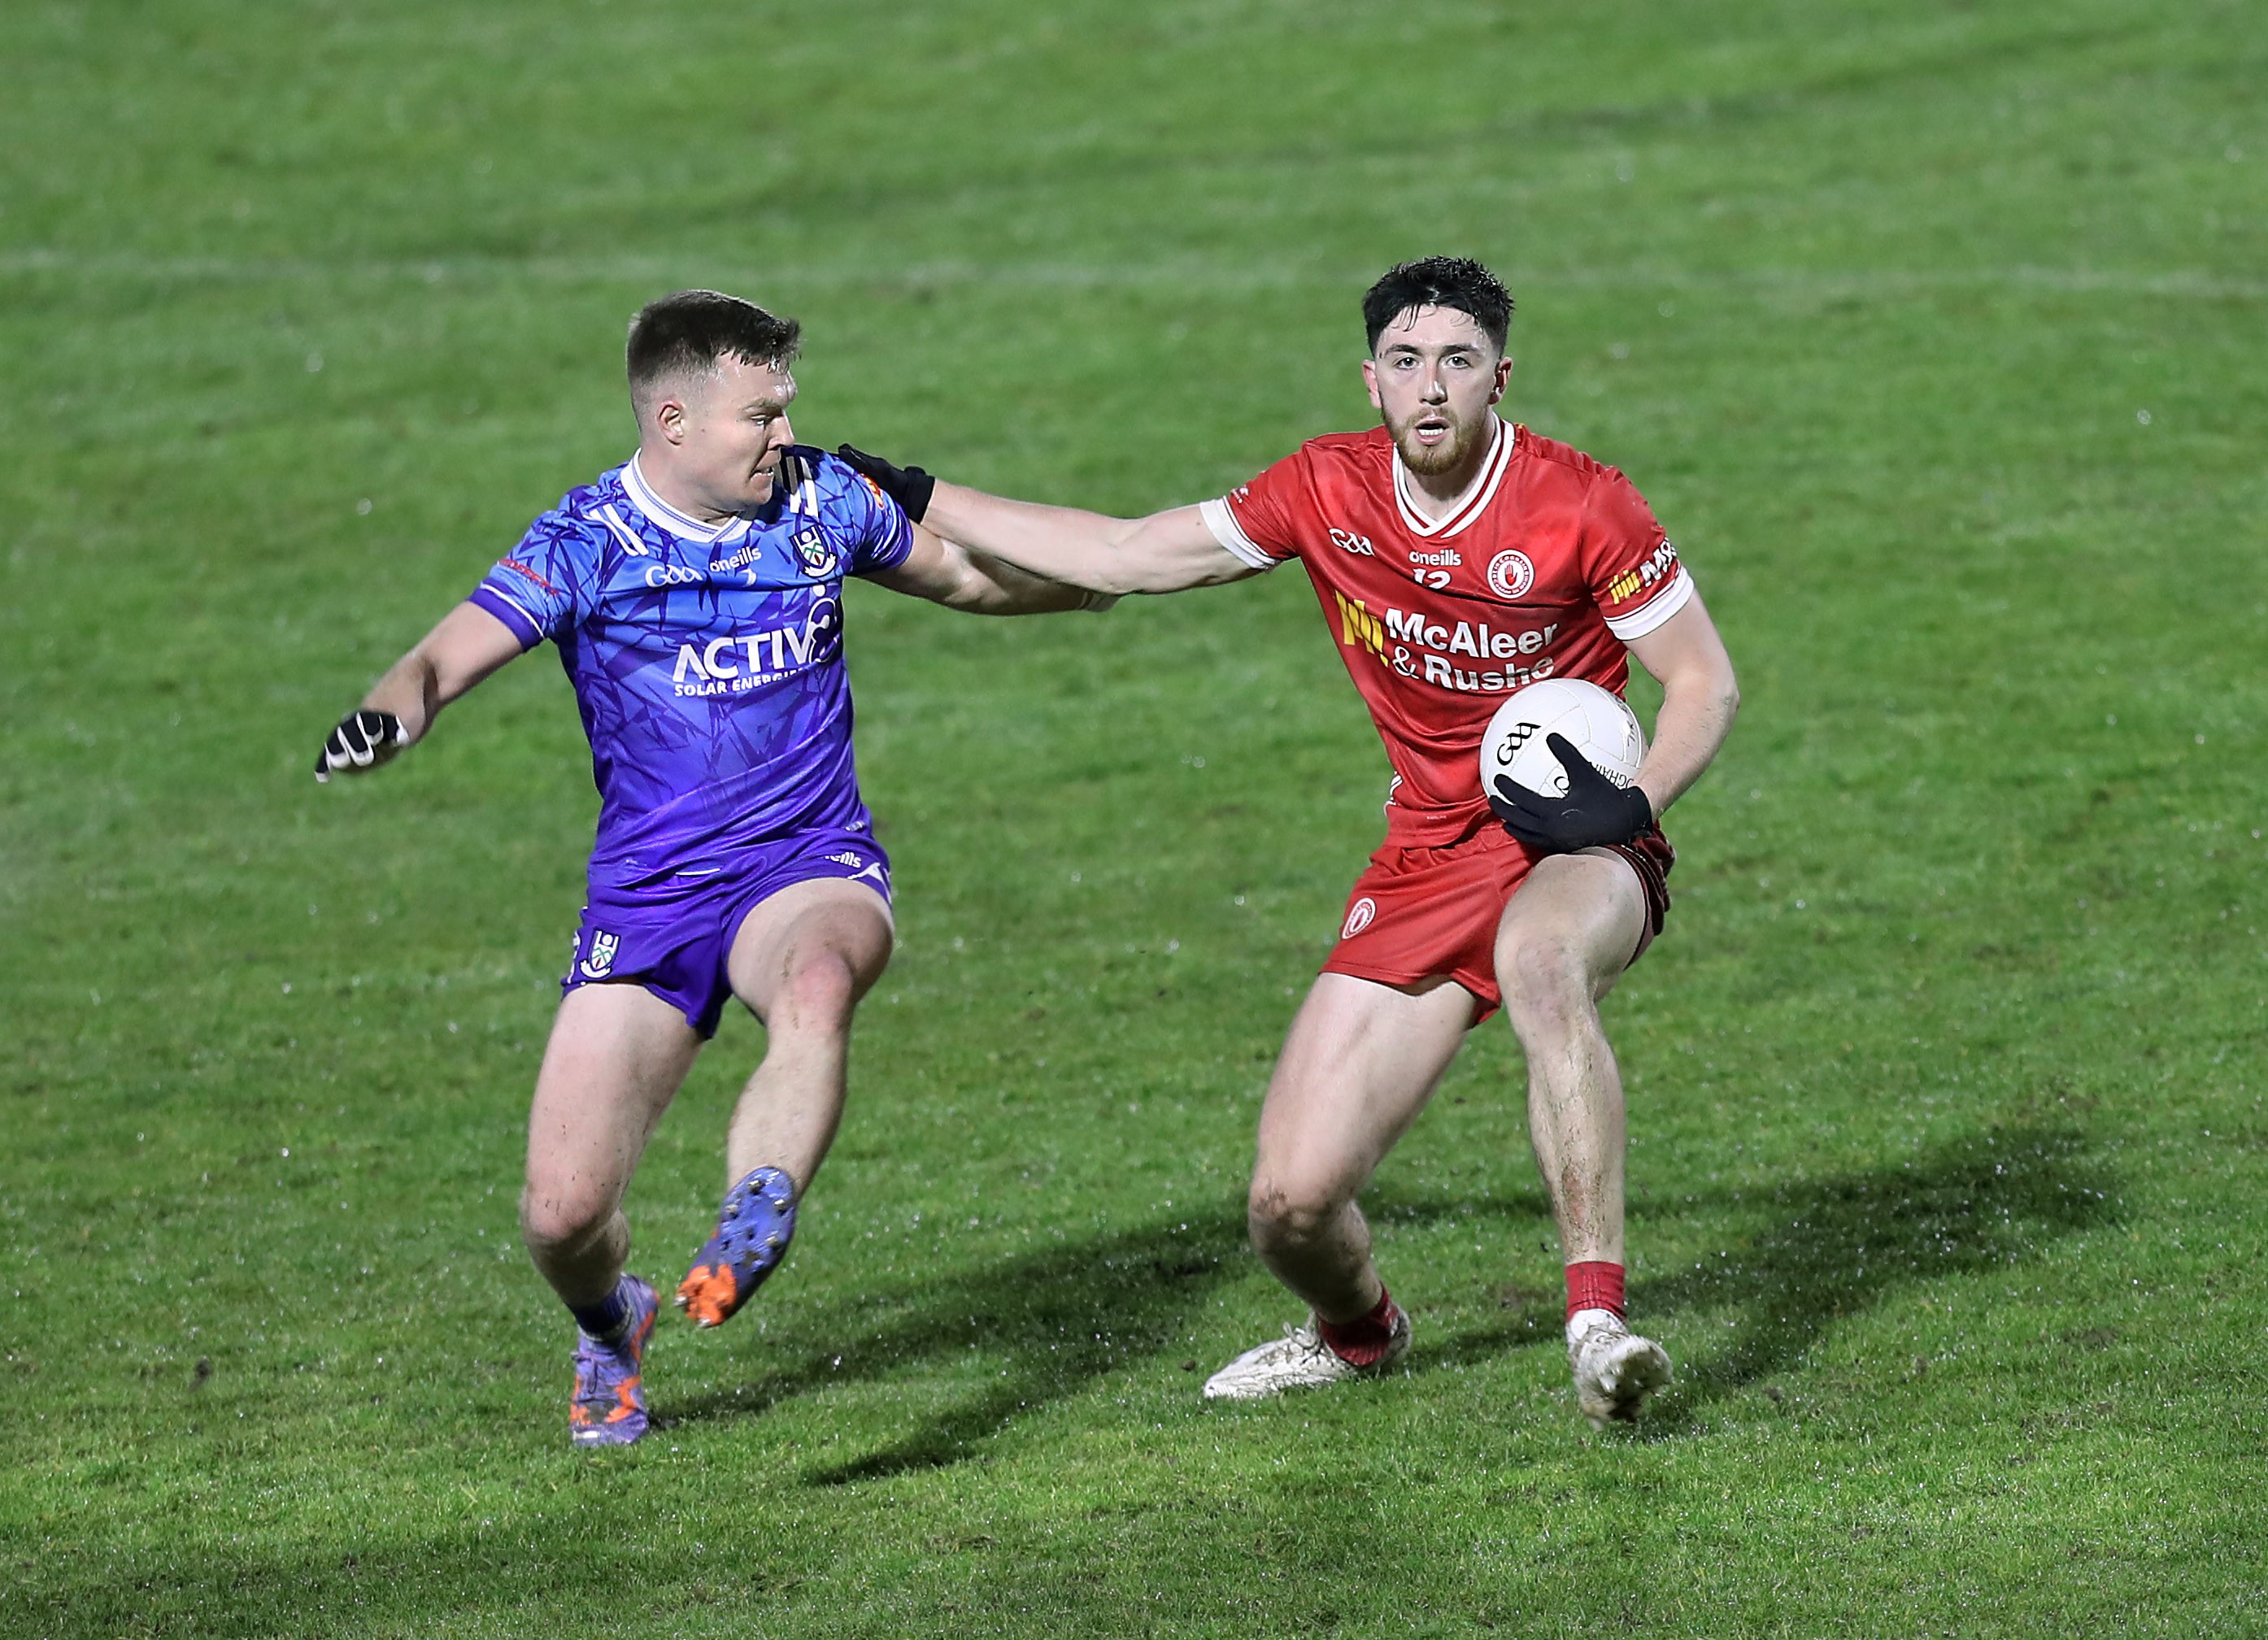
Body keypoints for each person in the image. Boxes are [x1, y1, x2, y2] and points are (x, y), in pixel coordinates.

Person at [838, 257, 1739, 1426]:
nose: (1430, 386)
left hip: (1575, 840)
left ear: (1500, 377)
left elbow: (1702, 681)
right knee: (1289, 1205)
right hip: (1427, 853)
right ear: (1371, 379)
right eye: (1406, 361)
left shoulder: (1581, 503)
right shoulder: (1324, 487)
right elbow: (1125, 555)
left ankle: (1596, 1325)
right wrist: (915, 492)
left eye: (1457, 361)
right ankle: (1359, 1336)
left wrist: (1633, 805)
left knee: (1541, 962)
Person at [315, 289, 1100, 1446]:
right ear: (672, 420)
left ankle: (756, 1208)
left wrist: (1095, 582)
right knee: (561, 1216)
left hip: (806, 859)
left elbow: (965, 576)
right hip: (652, 897)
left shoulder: (820, 500)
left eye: (785, 407)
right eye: (761, 415)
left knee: (818, 982)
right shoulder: (584, 543)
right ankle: (610, 1322)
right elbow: (436, 662)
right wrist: (386, 719)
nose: (786, 433)